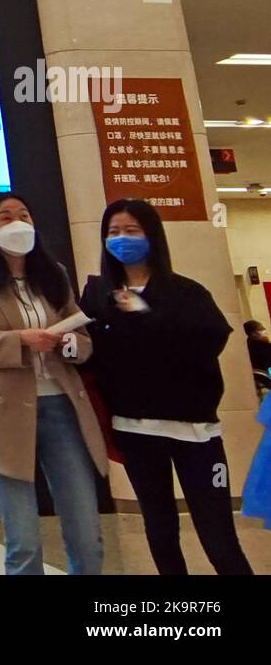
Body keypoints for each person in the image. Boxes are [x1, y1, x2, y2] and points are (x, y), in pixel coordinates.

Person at [80, 199, 253, 575]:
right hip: (135, 430)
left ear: (151, 235)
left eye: (131, 230)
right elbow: (92, 356)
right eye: (113, 232)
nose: (121, 239)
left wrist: (145, 315)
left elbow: (207, 342)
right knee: (160, 529)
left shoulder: (186, 292)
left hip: (195, 432)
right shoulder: (98, 295)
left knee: (217, 533)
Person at [0, 191, 104, 575]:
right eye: (6, 217)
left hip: (62, 407)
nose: (18, 222)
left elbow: (82, 338)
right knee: (23, 539)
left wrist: (70, 343)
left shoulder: (53, 274)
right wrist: (21, 340)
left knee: (86, 530)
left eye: (24, 214)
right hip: (3, 411)